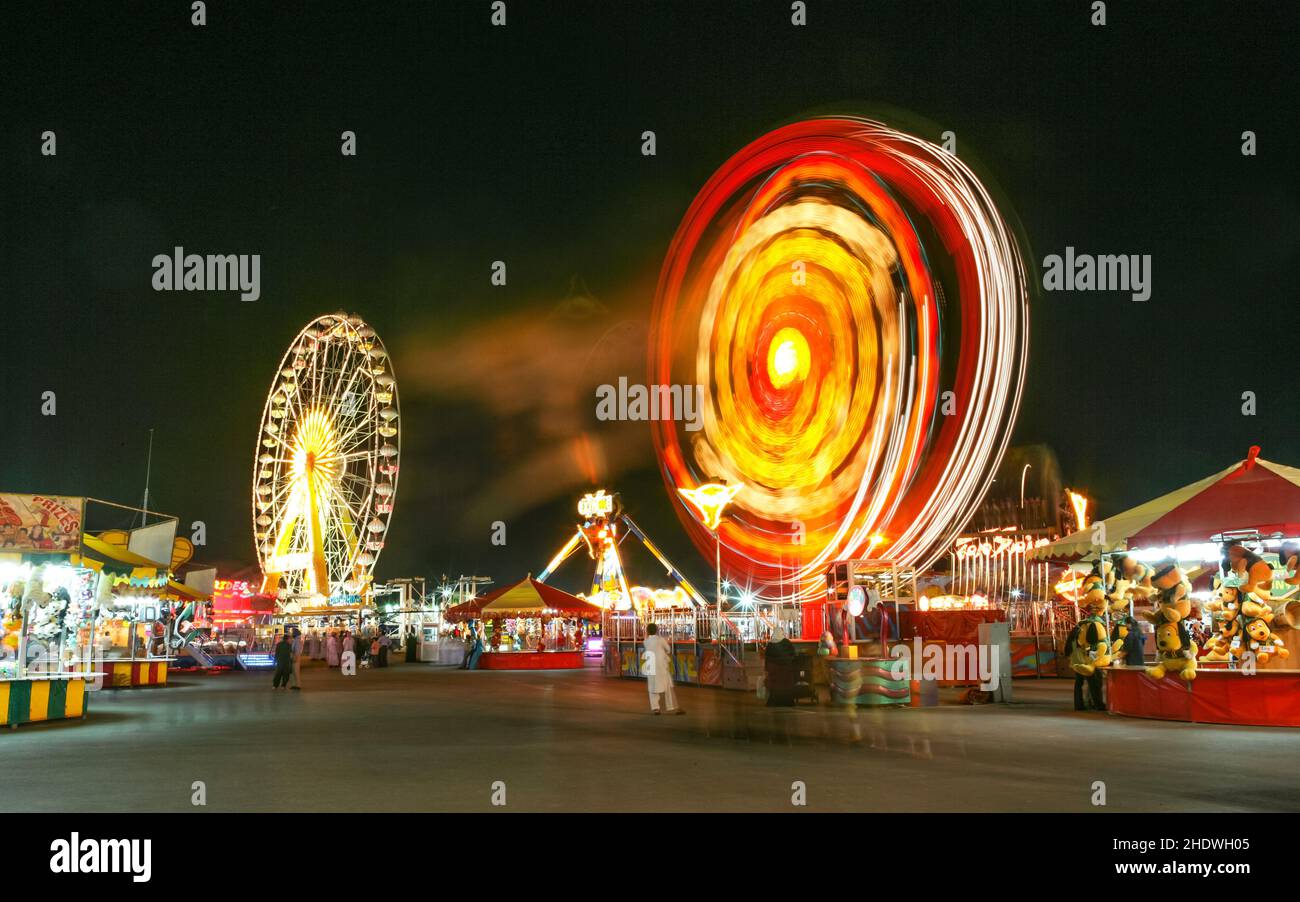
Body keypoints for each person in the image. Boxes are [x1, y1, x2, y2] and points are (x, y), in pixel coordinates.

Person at [642, 623, 683, 715]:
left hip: (651, 666)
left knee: (652, 687)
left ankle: (655, 708)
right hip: (661, 666)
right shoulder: (660, 640)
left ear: (647, 631)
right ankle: (672, 706)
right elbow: (668, 649)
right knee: (668, 686)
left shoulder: (646, 641)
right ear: (657, 630)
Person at [763, 628, 797, 706]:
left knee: (775, 686)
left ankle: (774, 702)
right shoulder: (786, 642)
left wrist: (767, 669)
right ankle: (787, 701)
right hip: (786, 669)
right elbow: (792, 654)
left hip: (774, 670)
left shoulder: (770, 644)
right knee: (786, 686)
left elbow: (767, 657)